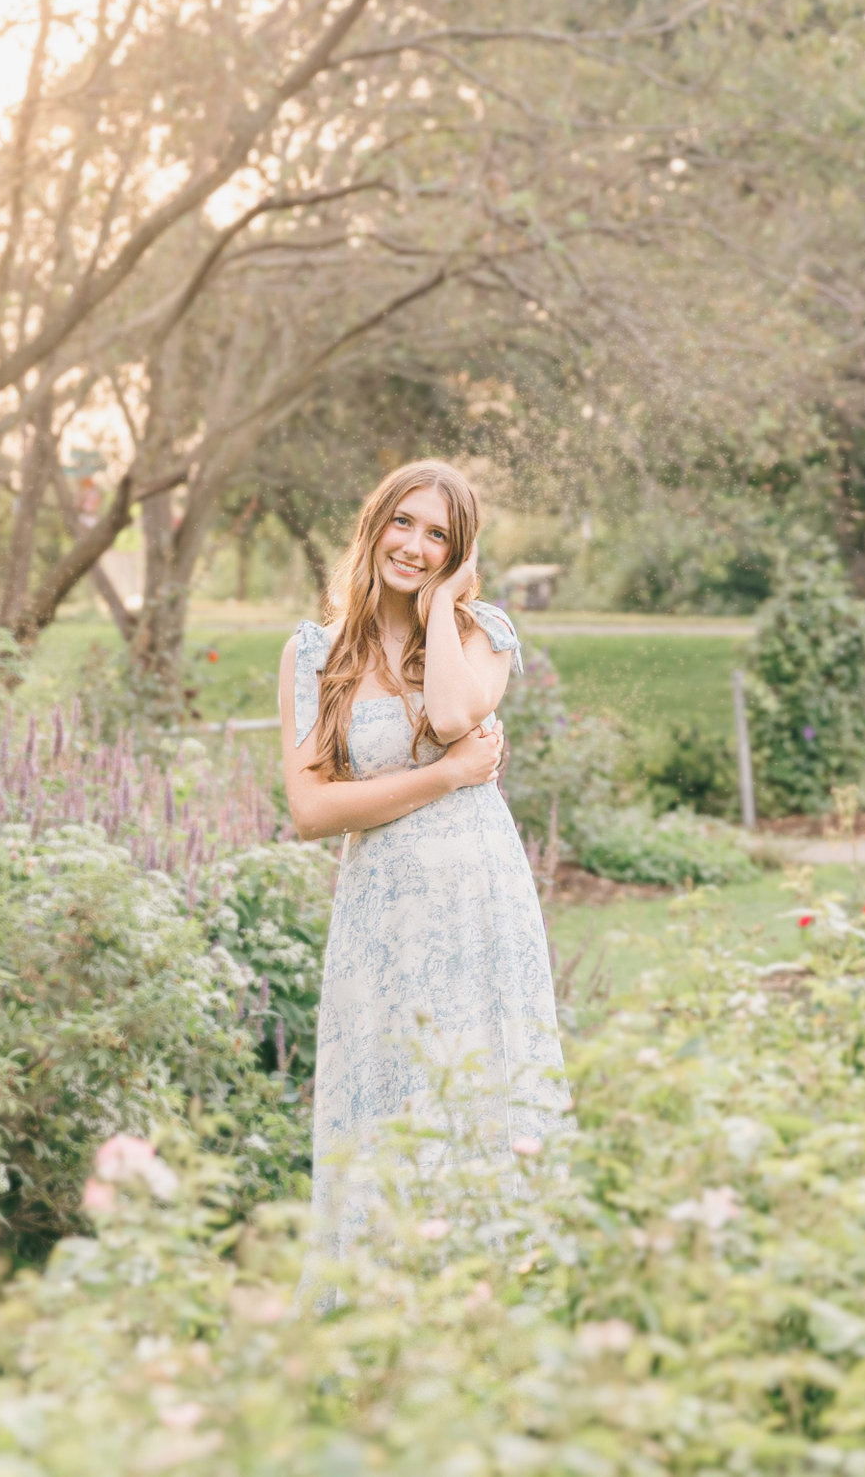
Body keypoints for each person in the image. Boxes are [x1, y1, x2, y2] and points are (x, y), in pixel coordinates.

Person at [277, 459, 570, 1280]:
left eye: (437, 535)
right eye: (403, 522)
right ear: (376, 524)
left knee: (482, 1083)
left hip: (480, 900)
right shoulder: (316, 652)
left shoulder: (484, 634)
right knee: (388, 1095)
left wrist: (442, 608)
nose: (414, 545)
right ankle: (385, 1302)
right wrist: (445, 776)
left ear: (458, 553)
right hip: (382, 912)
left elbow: (450, 712)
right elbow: (309, 810)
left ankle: (496, 1292)